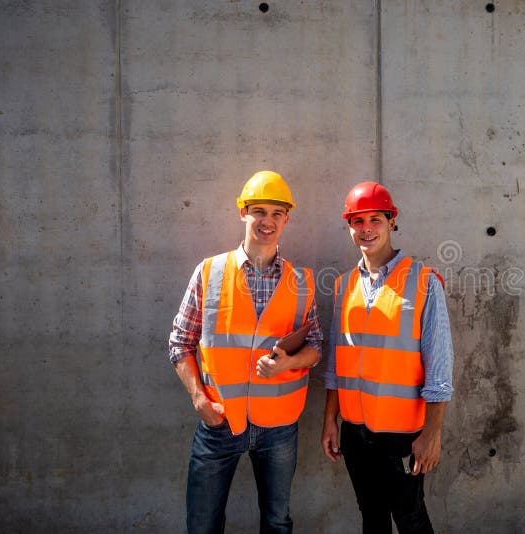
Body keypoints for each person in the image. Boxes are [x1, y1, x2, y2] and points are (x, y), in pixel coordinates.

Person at [168, 170, 322, 534]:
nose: (266, 221)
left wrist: (291, 361)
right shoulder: (210, 272)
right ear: (243, 213)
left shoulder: (301, 282)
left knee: (277, 523)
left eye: (275, 213)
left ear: (287, 218)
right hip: (219, 420)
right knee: (203, 525)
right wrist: (198, 399)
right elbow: (180, 342)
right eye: (258, 211)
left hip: (280, 426)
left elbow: (315, 344)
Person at [321, 182, 454, 534]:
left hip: (403, 435)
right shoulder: (344, 285)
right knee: (371, 518)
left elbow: (439, 367)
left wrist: (432, 434)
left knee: (411, 519)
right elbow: (337, 366)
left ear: (391, 221)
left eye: (375, 219)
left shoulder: (424, 282)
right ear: (350, 227)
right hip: (355, 433)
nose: (366, 229)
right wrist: (330, 420)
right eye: (357, 221)